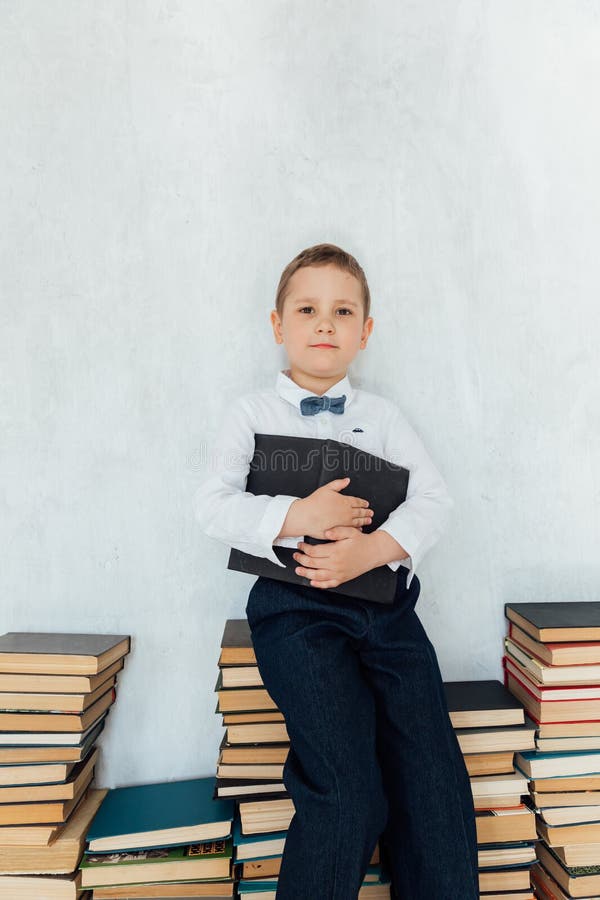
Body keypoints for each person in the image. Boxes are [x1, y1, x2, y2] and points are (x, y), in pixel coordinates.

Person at [194, 243, 479, 899]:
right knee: (347, 789)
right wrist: (299, 515)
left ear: (364, 333)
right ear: (278, 326)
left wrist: (371, 550)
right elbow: (211, 506)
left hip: (386, 610)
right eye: (308, 309)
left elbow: (435, 501)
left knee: (434, 778)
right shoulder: (250, 414)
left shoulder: (383, 418)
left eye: (342, 310)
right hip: (298, 618)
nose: (324, 323)